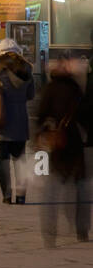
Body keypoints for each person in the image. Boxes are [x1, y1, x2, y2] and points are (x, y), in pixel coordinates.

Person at [35, 50, 90, 247]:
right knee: (80, 188)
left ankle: (49, 235)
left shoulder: (49, 88)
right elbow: (86, 117)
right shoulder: (76, 89)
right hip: (73, 144)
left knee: (50, 190)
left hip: (53, 145)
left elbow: (40, 116)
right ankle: (81, 230)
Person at [0, 38, 34, 204]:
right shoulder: (26, 68)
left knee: (2, 159)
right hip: (20, 121)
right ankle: (21, 196)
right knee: (20, 159)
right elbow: (31, 94)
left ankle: (7, 195)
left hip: (0, 121)